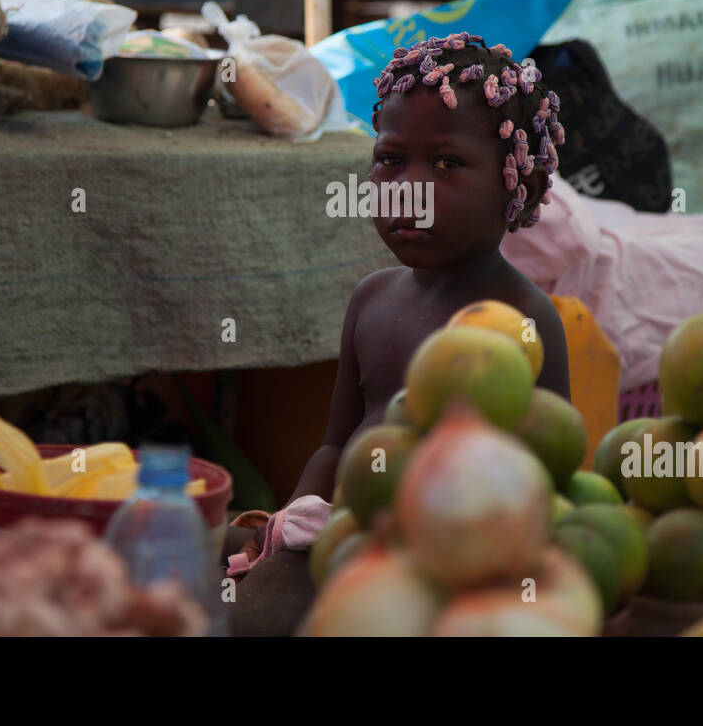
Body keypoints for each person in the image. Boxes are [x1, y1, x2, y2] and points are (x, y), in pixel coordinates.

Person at [225, 32, 569, 635]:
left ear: (523, 189)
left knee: (261, 613)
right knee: (206, 542)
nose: (411, 188)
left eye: (448, 164)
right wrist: (292, 520)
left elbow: (551, 471)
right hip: (340, 531)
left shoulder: (524, 319)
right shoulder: (373, 299)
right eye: (390, 160)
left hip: (441, 559)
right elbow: (336, 445)